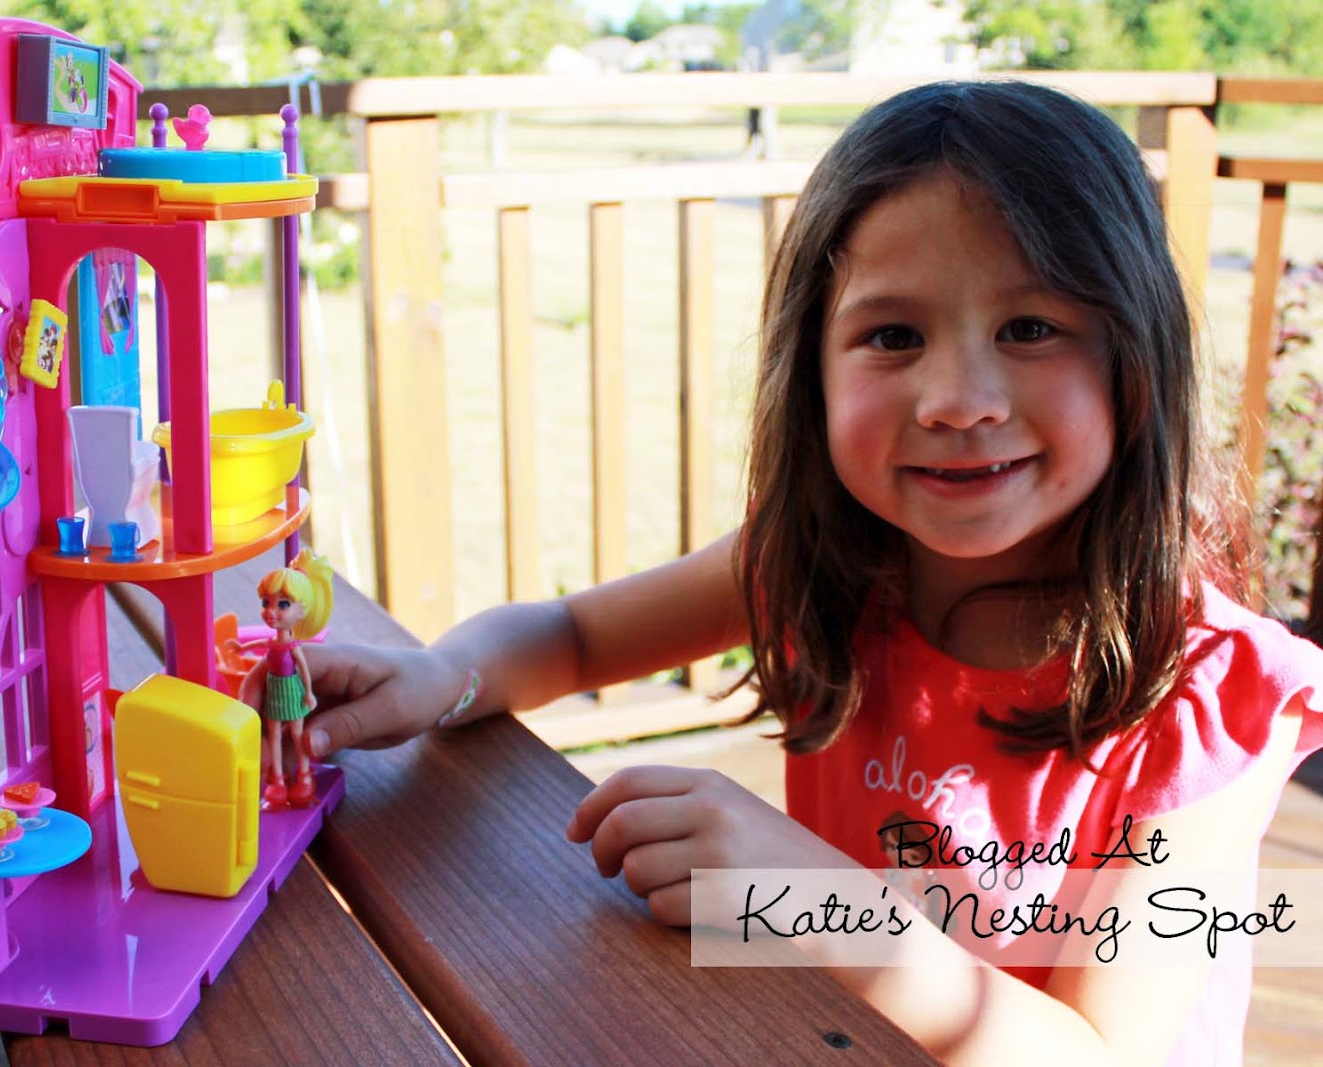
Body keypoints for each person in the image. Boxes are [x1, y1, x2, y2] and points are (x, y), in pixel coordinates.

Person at [298, 81, 1323, 1063]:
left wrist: (807, 892)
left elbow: (1097, 1053)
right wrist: (441, 677)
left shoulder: (1215, 698)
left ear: (1137, 355)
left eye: (1030, 328)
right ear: (813, 373)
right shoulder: (827, 566)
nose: (958, 398)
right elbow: (572, 636)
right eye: (893, 334)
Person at [231, 550, 334, 808]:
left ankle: (304, 774)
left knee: (298, 735)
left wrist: (308, 693)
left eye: (283, 604)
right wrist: (241, 648)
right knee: (275, 736)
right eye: (266, 602)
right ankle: (277, 779)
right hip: (274, 692)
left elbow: (304, 672)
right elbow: (258, 644)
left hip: (292, 691)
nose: (271, 611)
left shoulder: (293, 647)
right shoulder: (274, 643)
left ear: (302, 611)